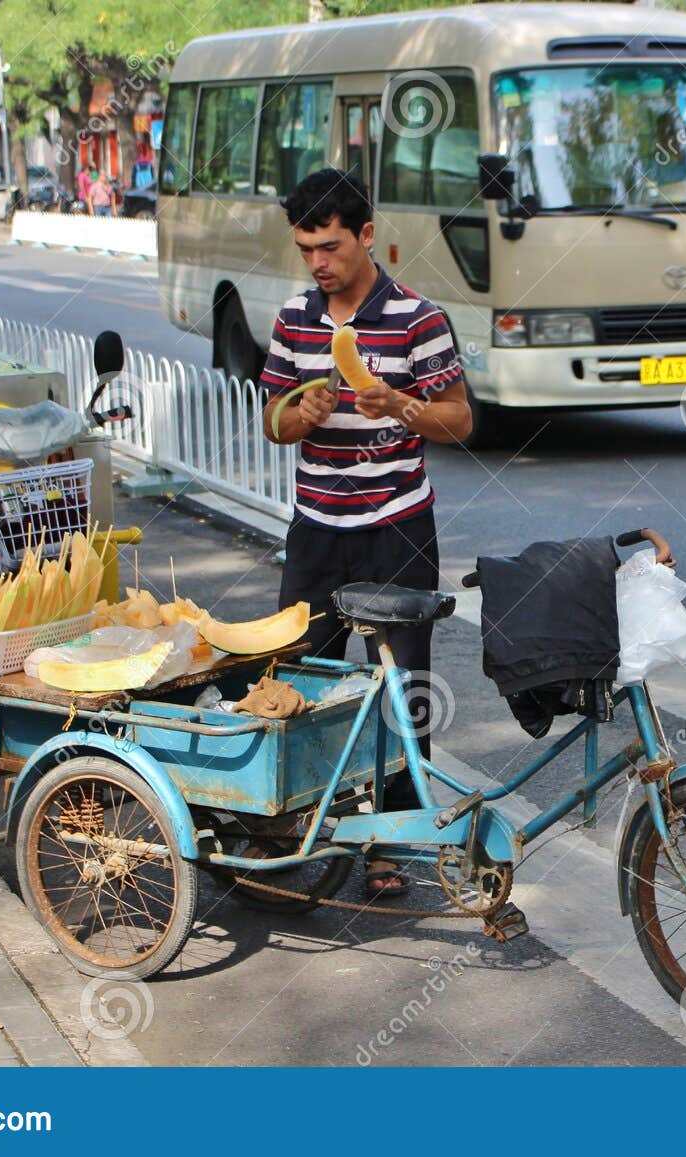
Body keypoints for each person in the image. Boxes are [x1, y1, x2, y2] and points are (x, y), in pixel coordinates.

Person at [259, 169, 472, 898]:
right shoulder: (294, 319)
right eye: (306, 248)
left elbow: (460, 420)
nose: (319, 263)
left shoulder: (418, 319)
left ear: (367, 235)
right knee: (301, 680)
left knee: (402, 688)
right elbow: (273, 423)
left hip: (397, 528)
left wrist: (401, 406)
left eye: (331, 245)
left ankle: (390, 842)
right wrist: (304, 416)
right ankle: (291, 823)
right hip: (316, 531)